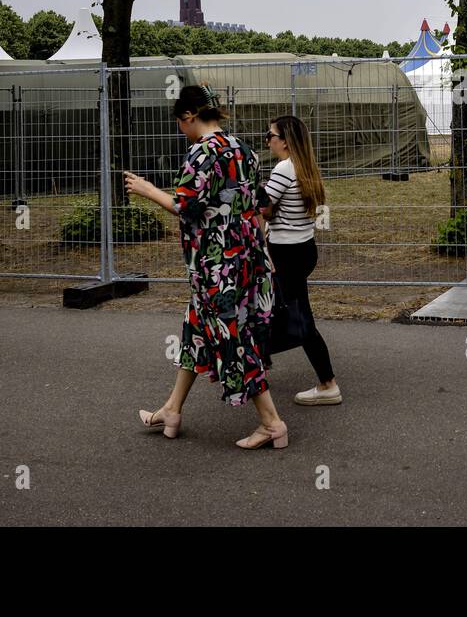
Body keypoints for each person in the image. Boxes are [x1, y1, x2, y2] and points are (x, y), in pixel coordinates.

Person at [124, 83, 289, 451]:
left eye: (180, 122)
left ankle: (272, 423)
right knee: (197, 332)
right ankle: (171, 410)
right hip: (248, 260)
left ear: (189, 116)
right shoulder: (243, 149)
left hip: (216, 266)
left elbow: (186, 207)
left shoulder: (201, 154)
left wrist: (148, 189)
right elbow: (259, 204)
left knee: (235, 338)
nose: (181, 129)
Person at [261, 115, 339, 405]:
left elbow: (264, 208)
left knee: (300, 318)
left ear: (284, 141)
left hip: (285, 252)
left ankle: (328, 383)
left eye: (270, 135)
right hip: (304, 247)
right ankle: (259, 361)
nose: (268, 140)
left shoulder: (283, 167)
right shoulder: (306, 166)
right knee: (272, 307)